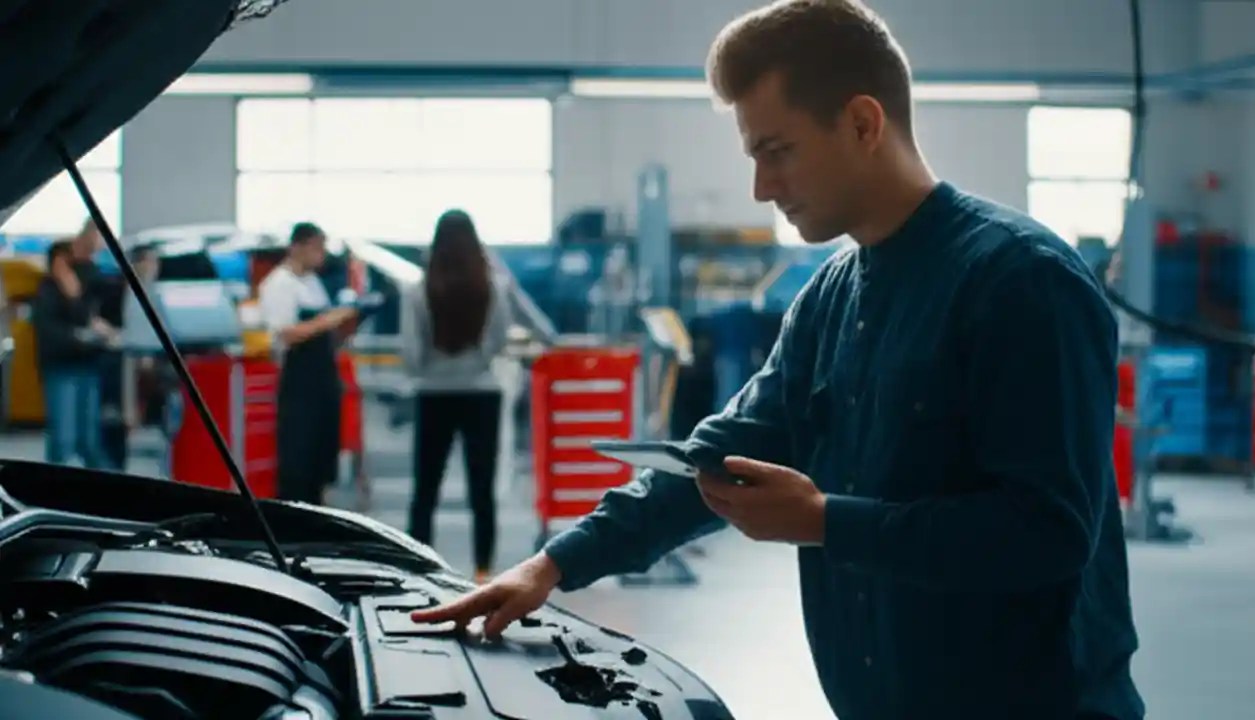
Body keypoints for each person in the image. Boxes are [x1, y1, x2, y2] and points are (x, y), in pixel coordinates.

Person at [412, 2, 1144, 719]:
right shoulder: (829, 296)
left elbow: (1046, 534)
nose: (762, 187)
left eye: (777, 150)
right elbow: (718, 459)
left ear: (862, 123)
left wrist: (828, 522)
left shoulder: (1022, 283)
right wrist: (553, 565)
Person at [401, 209, 513, 584]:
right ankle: (483, 571)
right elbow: (500, 338)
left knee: (425, 489)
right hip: (483, 394)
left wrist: (433, 369)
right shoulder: (493, 287)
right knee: (482, 489)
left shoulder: (417, 290)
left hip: (433, 396)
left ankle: (419, 569)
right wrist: (477, 360)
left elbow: (411, 354)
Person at [258, 222, 359, 504]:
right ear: (297, 247)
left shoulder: (313, 282)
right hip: (299, 381)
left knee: (322, 454)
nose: (322, 255)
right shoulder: (278, 284)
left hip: (324, 378)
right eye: (317, 248)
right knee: (298, 456)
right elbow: (286, 333)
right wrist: (330, 319)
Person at [32, 240, 113, 468]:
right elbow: (48, 331)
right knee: (63, 437)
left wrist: (74, 296)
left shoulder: (80, 288)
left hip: (86, 365)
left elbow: (87, 318)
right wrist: (76, 338)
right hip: (61, 368)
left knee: (89, 437)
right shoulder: (45, 290)